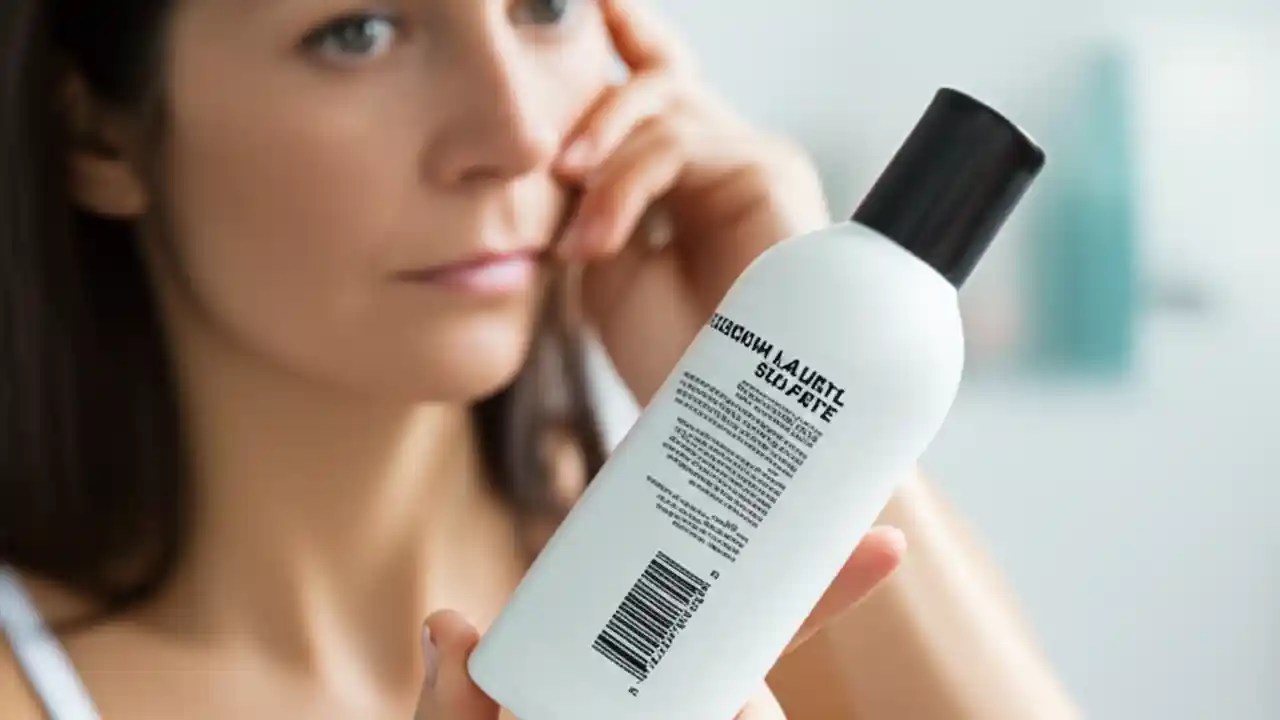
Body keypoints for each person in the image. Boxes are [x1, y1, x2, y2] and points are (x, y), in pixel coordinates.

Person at [0, 0, 1078, 717]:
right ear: (101, 136)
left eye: (547, 5)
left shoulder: (740, 613)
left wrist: (813, 375)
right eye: (358, 32)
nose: (514, 132)